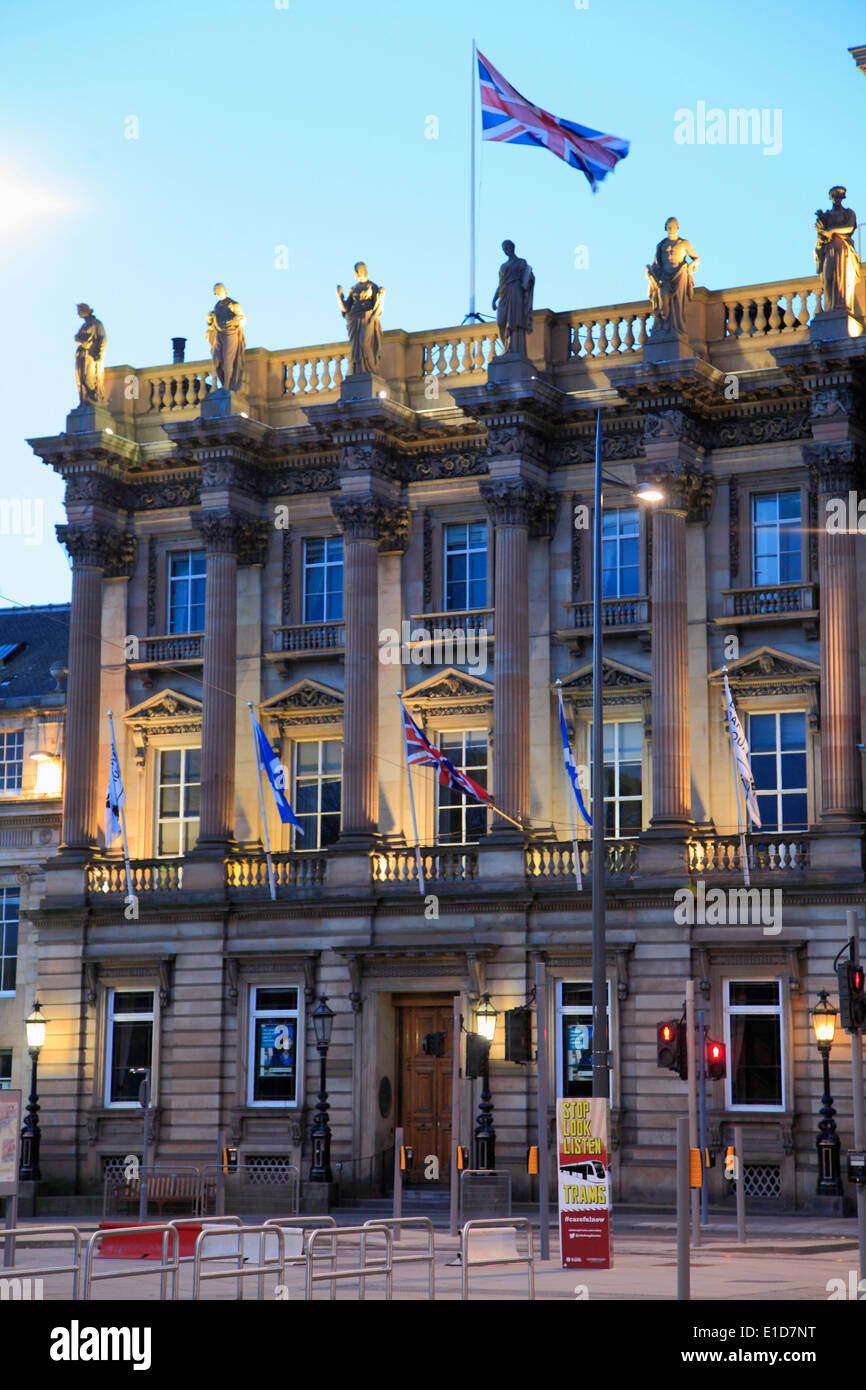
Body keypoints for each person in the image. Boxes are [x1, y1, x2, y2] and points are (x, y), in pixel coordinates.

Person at [645, 218, 700, 336]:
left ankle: (676, 327)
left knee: (678, 303)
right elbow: (657, 264)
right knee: (663, 296)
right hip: (665, 276)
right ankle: (664, 324)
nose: (670, 229)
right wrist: (651, 274)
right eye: (668, 226)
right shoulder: (661, 245)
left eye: (673, 226)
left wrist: (692, 266)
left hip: (679, 275)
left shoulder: (684, 243)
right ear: (666, 228)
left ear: (677, 227)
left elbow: (696, 258)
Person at [814, 187, 859, 314]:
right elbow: (821, 234)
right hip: (829, 250)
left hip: (843, 249)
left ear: (843, 197)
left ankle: (841, 307)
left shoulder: (848, 213)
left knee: (840, 278)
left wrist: (832, 230)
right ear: (831, 197)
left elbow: (849, 227)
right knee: (828, 278)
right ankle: (829, 307)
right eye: (835, 195)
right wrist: (821, 228)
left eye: (840, 195)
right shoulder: (827, 215)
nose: (837, 198)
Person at [336, 263, 385, 374]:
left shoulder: (372, 286)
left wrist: (381, 296)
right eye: (357, 271)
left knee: (364, 343)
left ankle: (372, 370)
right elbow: (345, 308)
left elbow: (377, 307)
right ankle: (359, 371)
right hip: (353, 318)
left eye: (359, 270)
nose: (358, 273)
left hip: (367, 317)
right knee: (355, 349)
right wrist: (338, 296)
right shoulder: (354, 288)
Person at [492, 240, 534, 355]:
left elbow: (527, 278)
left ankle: (513, 348)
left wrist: (530, 278)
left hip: (516, 291)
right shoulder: (503, 266)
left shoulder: (521, 262)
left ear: (512, 247)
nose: (506, 250)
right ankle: (506, 346)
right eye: (504, 248)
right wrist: (494, 299)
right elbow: (500, 284)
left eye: (507, 247)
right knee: (500, 322)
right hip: (504, 293)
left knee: (514, 321)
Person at [206, 283, 246, 390]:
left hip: (231, 334)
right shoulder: (217, 306)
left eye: (220, 290)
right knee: (216, 360)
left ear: (225, 291)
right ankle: (224, 382)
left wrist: (234, 321)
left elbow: (243, 320)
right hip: (219, 334)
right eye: (216, 291)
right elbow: (211, 325)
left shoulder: (234, 305)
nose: (219, 293)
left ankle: (227, 385)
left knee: (228, 360)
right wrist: (210, 320)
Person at [74, 303, 106, 404]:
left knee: (88, 378)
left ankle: (93, 398)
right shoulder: (84, 325)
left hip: (90, 354)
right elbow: (77, 337)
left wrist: (99, 353)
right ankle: (85, 400)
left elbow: (103, 338)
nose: (78, 313)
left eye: (80, 310)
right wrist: (80, 340)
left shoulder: (96, 323)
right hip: (82, 353)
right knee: (81, 379)